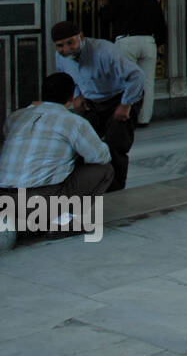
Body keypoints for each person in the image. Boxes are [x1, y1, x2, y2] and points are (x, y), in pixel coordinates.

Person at [0, 72, 114, 250]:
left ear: (42, 94)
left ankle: (28, 222)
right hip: (39, 200)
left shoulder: (16, 116)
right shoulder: (73, 121)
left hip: (3, 199)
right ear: (71, 96)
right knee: (103, 170)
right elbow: (101, 156)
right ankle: (62, 222)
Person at [51, 20, 143, 193]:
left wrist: (125, 105)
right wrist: (77, 95)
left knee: (116, 144)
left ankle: (114, 191)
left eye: (71, 42)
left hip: (122, 96)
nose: (66, 48)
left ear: (82, 37)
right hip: (93, 101)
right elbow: (67, 77)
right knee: (80, 141)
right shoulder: (62, 57)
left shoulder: (104, 51)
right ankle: (84, 186)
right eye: (60, 46)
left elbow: (137, 76)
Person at [101, 0, 167, 127]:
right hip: (149, 43)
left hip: (126, 42)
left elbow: (106, 17)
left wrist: (104, 4)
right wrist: (158, 43)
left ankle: (127, 115)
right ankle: (144, 119)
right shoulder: (152, 2)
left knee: (127, 80)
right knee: (147, 82)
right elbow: (161, 26)